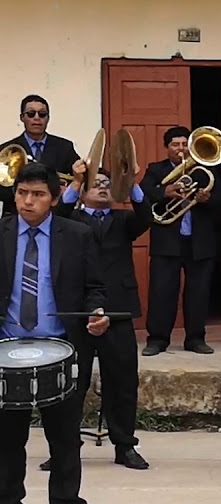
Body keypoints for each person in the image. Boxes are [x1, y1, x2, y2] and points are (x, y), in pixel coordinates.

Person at [0, 163, 106, 504]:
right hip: (7, 354)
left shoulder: (78, 235)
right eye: (22, 193)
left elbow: (95, 287)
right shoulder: (2, 233)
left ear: (55, 198)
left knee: (64, 440)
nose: (28, 201)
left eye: (38, 194)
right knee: (7, 441)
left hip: (61, 353)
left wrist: (97, 314)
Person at [52, 162, 151, 470]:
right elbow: (57, 214)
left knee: (121, 382)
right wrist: (77, 181)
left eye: (108, 183)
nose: (103, 186)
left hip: (118, 309)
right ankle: (65, 449)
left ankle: (125, 446)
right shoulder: (69, 220)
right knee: (71, 384)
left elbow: (147, 216)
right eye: (97, 182)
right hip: (78, 310)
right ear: (82, 191)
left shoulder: (123, 220)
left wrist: (130, 181)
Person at [140, 126, 221, 356]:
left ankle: (196, 338)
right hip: (167, 241)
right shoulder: (155, 169)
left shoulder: (205, 169)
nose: (180, 149)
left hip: (199, 242)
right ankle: (157, 339)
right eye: (175, 145)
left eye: (184, 144)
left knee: (198, 293)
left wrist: (207, 198)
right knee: (162, 291)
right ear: (166, 147)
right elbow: (142, 193)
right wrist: (164, 192)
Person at [0, 95, 79, 218]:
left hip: (56, 215)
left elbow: (78, 179)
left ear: (48, 118)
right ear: (22, 117)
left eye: (42, 114)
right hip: (16, 216)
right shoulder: (6, 149)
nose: (37, 118)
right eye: (31, 114)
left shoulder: (64, 147)